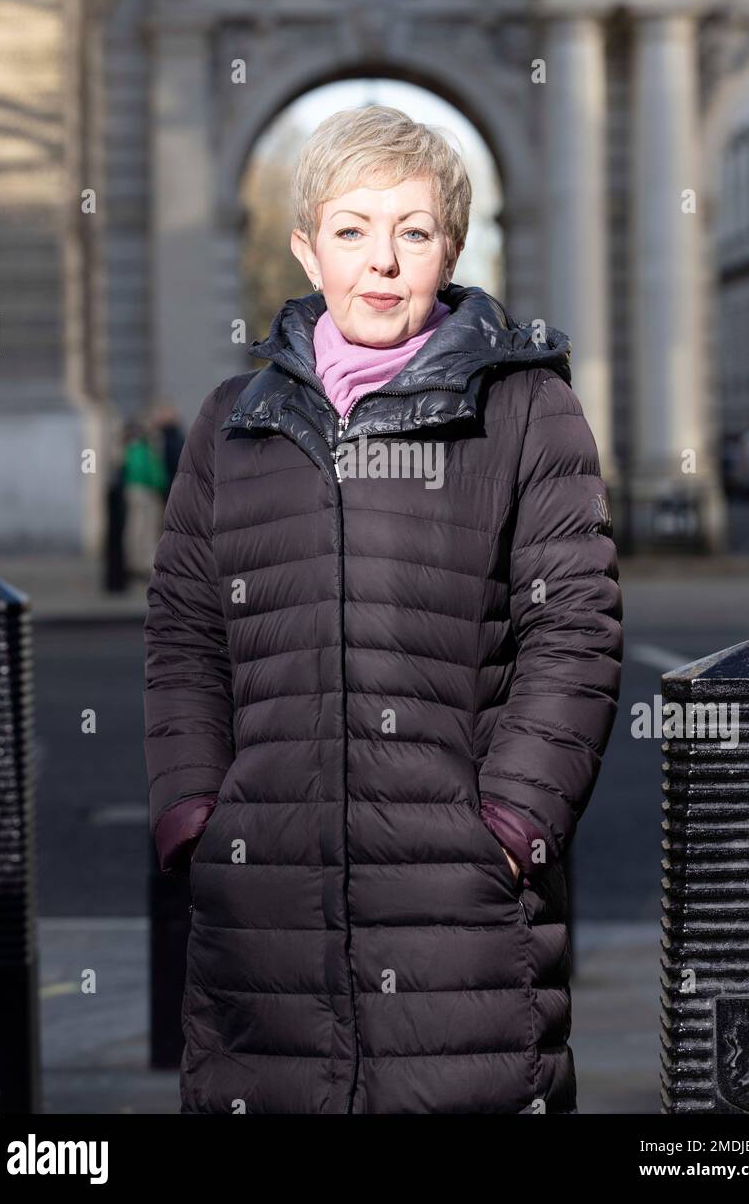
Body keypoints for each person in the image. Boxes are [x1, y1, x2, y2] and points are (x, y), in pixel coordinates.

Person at [143, 104, 623, 1115]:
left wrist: (509, 825)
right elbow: (186, 632)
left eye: (413, 231)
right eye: (352, 230)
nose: (383, 262)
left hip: (462, 918)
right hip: (261, 918)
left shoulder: (526, 409)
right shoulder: (233, 424)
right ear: (306, 246)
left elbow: (572, 634)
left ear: (450, 246)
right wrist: (196, 815)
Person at [122, 417, 168, 578]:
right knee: (145, 527)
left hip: (138, 489)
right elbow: (150, 471)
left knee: (138, 527)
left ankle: (136, 561)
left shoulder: (134, 448)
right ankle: (142, 562)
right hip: (146, 490)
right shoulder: (143, 448)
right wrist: (159, 485)